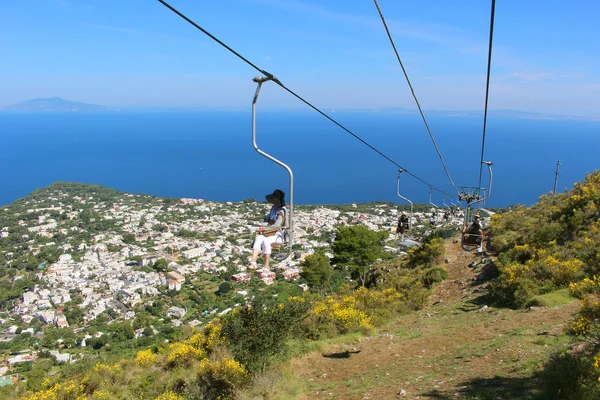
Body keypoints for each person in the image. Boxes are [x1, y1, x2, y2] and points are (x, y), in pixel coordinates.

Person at [248, 189, 287, 270]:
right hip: (270, 232)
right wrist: (261, 225)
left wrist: (264, 228)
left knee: (266, 241)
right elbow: (268, 220)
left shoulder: (282, 211)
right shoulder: (273, 208)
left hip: (279, 234)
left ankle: (266, 266)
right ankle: (253, 262)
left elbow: (277, 226)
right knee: (258, 238)